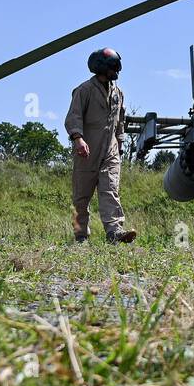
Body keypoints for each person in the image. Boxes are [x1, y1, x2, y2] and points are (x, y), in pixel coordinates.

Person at [65, 47, 136, 244]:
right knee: (81, 196)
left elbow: (120, 121)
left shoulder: (118, 93)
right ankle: (81, 235)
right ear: (102, 68)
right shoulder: (84, 90)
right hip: (87, 150)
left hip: (110, 150)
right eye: (114, 67)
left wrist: (120, 145)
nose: (117, 71)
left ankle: (114, 232)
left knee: (110, 190)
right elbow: (74, 116)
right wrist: (78, 138)